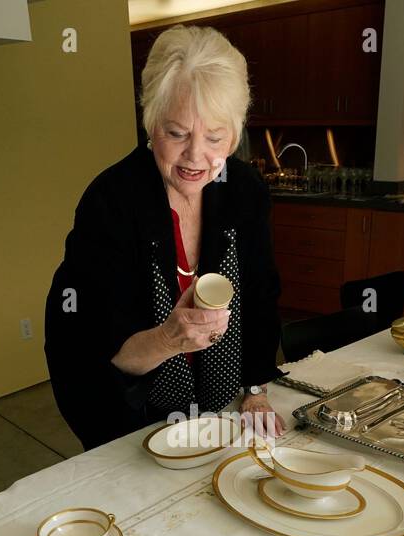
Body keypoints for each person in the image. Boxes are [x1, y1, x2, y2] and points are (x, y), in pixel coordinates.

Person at [44, 25, 284, 450]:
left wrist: (256, 389)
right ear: (151, 121)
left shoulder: (244, 189)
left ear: (235, 132)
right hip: (130, 419)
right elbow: (91, 349)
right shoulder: (111, 202)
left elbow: (260, 295)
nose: (196, 156)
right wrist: (169, 339)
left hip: (222, 411)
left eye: (214, 137)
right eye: (177, 133)